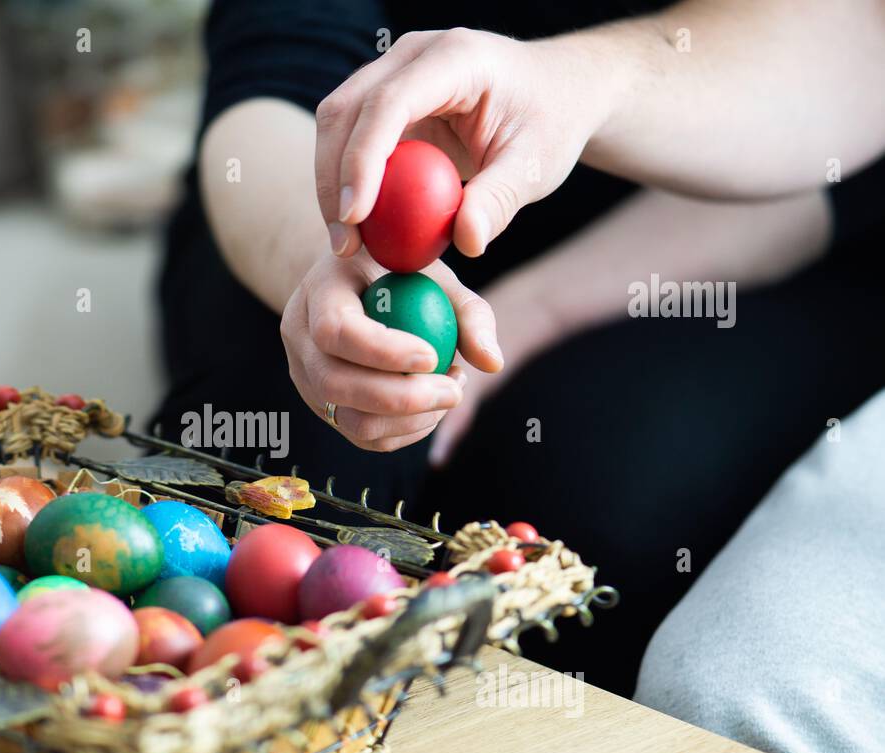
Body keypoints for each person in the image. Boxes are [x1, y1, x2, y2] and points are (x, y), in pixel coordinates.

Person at [151, 0, 885, 698]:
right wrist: (325, 276)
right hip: (314, 193)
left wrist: (540, 300)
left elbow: (855, 58)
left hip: (730, 203)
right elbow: (275, 68)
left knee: (589, 508)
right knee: (279, 470)